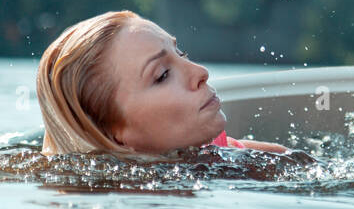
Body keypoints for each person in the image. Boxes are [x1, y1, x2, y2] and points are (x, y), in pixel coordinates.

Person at [35, 9, 294, 157]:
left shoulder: (249, 159)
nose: (201, 72)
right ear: (114, 137)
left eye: (181, 54)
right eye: (162, 75)